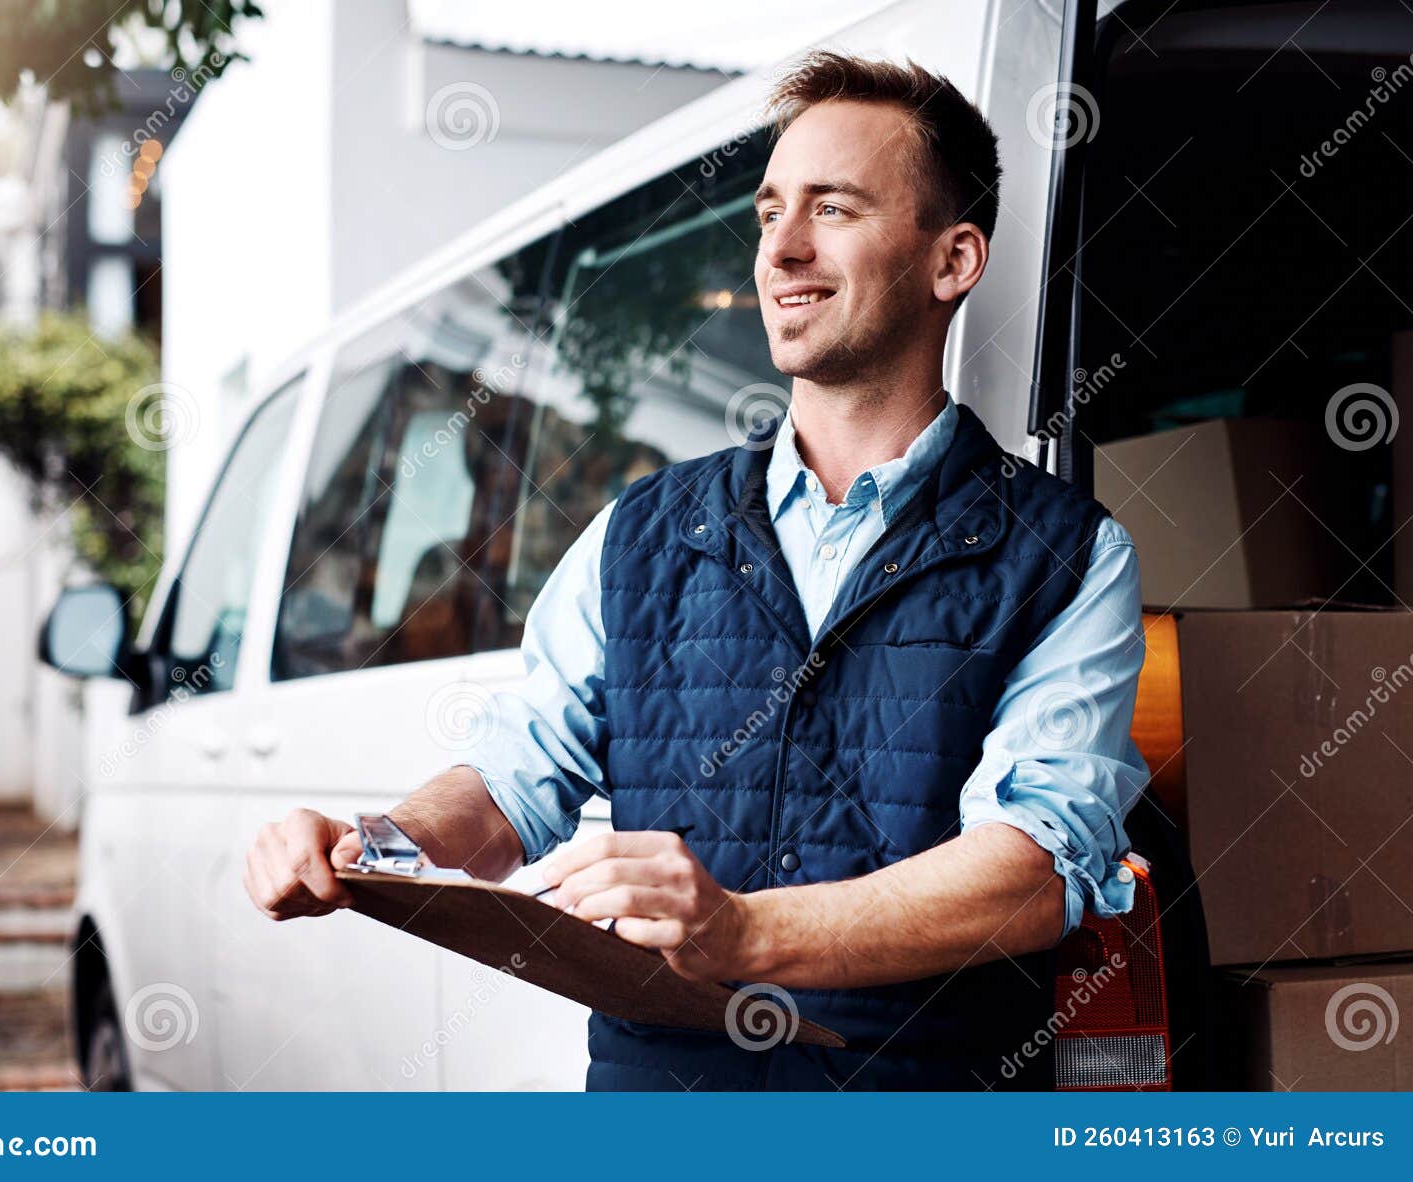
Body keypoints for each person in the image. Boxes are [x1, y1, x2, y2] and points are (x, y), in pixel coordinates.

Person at [243, 50, 1149, 1091]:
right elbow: (509, 782)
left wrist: (741, 931)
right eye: (768, 214)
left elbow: (1030, 874)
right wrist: (376, 843)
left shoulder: (1067, 554)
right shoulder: (639, 531)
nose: (783, 249)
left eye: (835, 209)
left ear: (951, 262)